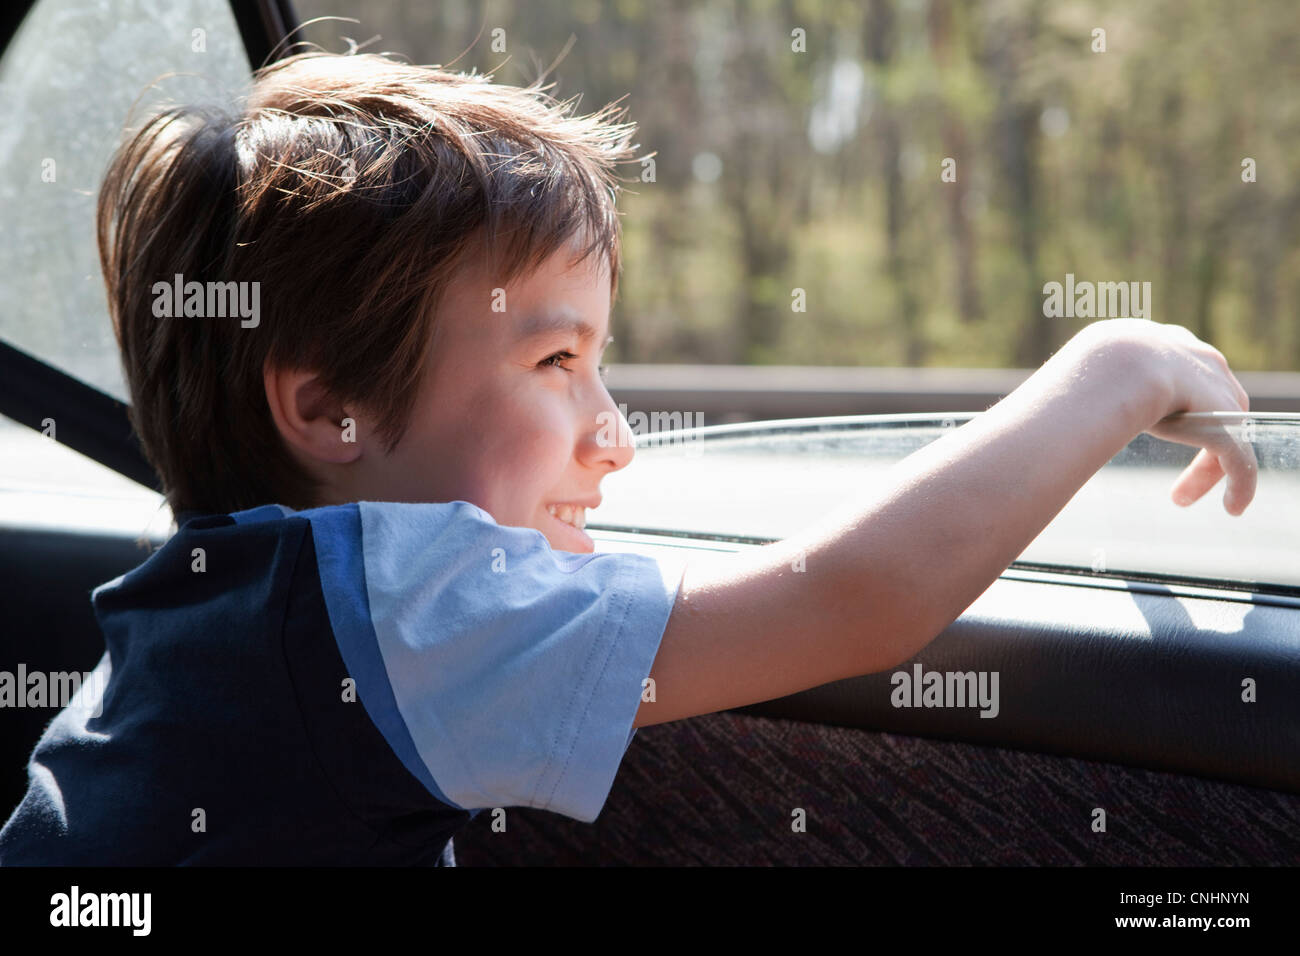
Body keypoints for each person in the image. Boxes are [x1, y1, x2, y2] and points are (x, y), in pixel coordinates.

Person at [0, 51, 1256, 865]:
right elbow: (854, 599)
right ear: (330, 413)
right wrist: (1113, 370)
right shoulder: (405, 609)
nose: (614, 433)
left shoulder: (216, 600)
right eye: (557, 362)